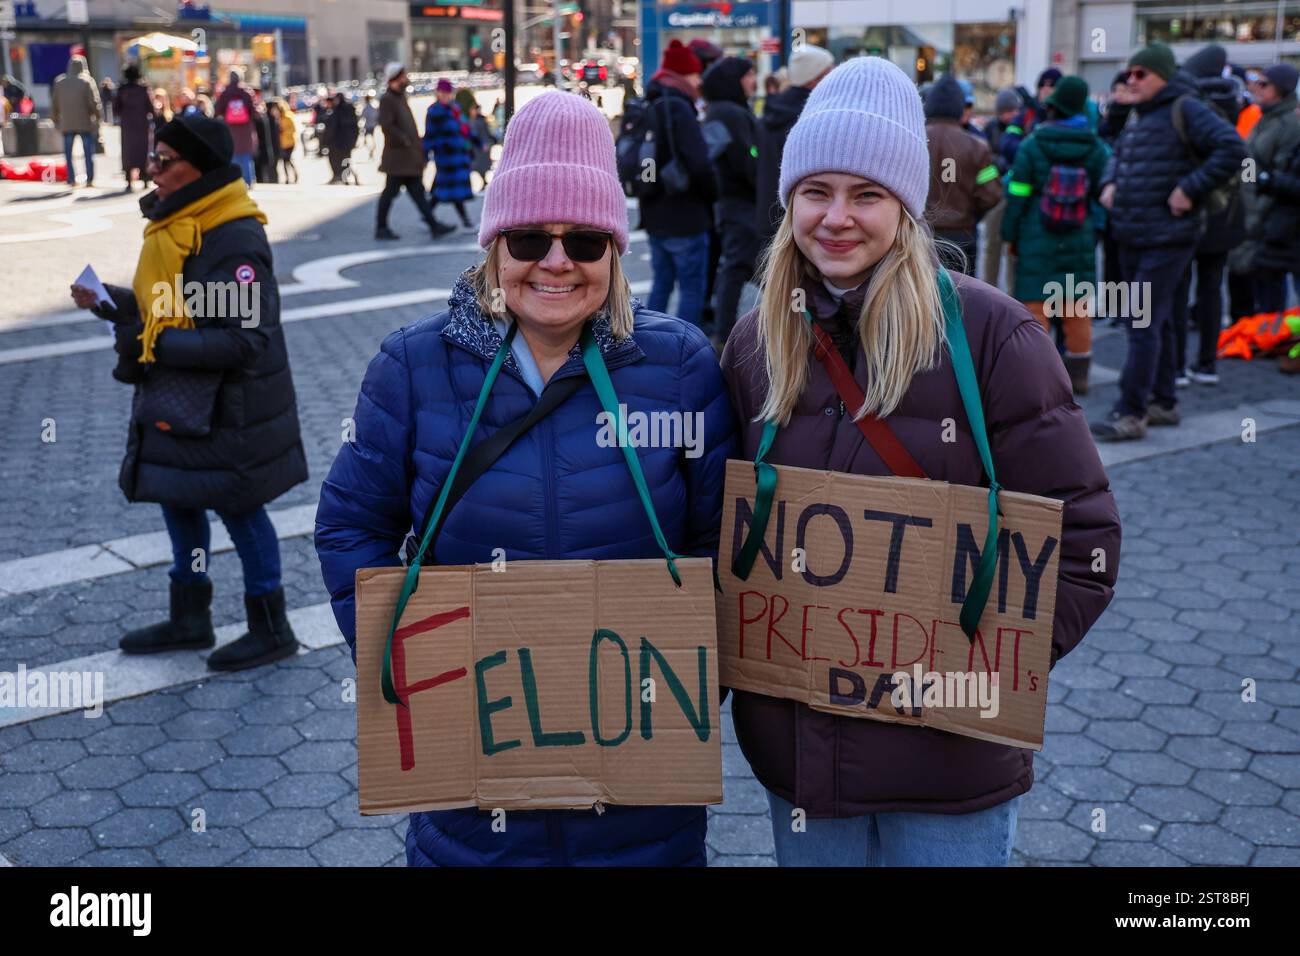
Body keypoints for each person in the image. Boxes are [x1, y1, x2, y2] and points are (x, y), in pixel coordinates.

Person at [314, 92, 738, 867]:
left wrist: (683, 683)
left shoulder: (679, 366)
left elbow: (721, 543)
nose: (555, 261)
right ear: (492, 247)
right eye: (527, 237)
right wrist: (407, 666)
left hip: (639, 797)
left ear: (613, 250)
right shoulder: (413, 365)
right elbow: (352, 527)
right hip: (473, 789)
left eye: (583, 239)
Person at [718, 56, 1120, 867]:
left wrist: (979, 672)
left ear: (905, 207)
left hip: (948, 766)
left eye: (866, 194)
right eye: (815, 192)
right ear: (788, 200)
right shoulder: (757, 342)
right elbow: (722, 538)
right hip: (801, 765)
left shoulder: (992, 335)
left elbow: (1085, 548)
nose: (837, 218)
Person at [68, 114, 308, 671]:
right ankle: (191, 616)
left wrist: (152, 344)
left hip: (232, 406)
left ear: (198, 168)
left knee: (240, 510)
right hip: (186, 400)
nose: (151, 169)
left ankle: (272, 626)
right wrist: (114, 302)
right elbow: (181, 309)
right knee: (178, 499)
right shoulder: (181, 225)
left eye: (163, 161)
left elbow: (244, 339)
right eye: (153, 158)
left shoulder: (232, 235)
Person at [1092, 43, 1246, 441]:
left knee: (1142, 320)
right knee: (1151, 319)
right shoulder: (1141, 114)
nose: (1132, 80)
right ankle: (1162, 400)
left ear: (1163, 74)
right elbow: (1119, 153)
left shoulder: (1187, 108)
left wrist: (1189, 190)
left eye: (1141, 73)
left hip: (1167, 235)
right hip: (1132, 232)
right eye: (1129, 73)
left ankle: (1131, 410)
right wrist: (1110, 182)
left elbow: (1232, 148)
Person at [1001, 76, 1109, 395]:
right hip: (1079, 234)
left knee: (1036, 308)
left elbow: (1018, 192)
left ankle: (1037, 377)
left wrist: (1011, 233)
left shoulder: (1034, 144)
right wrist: (1095, 229)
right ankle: (1079, 376)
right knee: (1075, 308)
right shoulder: (1096, 147)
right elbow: (1103, 193)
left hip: (1037, 233)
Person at [1176, 44, 1246, 386]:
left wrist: (1190, 187)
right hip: (1227, 212)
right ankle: (1207, 362)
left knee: (1180, 287)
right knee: (1211, 289)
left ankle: (1176, 366)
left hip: (1197, 211)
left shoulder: (1196, 108)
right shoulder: (1234, 103)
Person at [640, 40, 716, 327]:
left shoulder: (651, 102)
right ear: (684, 75)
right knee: (692, 287)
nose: (699, 81)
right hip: (685, 214)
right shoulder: (680, 108)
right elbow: (699, 163)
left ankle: (644, 337)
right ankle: (687, 347)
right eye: (696, 75)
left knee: (662, 282)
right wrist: (713, 195)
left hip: (654, 213)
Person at [1233, 63, 1300, 318]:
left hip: (1269, 215)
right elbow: (1251, 160)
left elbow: (1279, 174)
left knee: (1269, 280)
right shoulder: (1264, 118)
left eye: (1264, 84)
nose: (1256, 88)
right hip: (1251, 208)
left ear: (1281, 90)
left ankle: (1268, 334)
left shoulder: (1288, 125)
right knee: (1246, 275)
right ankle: (1250, 331)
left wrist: (1257, 197)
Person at [701, 56, 759, 343]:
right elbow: (744, 158)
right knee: (737, 268)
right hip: (740, 203)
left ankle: (725, 331)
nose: (754, 80)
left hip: (731, 202)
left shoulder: (721, 110)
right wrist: (758, 166)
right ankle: (725, 335)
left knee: (740, 267)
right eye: (749, 74)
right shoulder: (731, 113)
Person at [754, 44, 835, 246]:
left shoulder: (771, 112)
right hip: (804, 219)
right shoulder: (814, 117)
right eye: (831, 72)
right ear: (817, 78)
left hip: (769, 213)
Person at [924, 73, 1003, 275]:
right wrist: (970, 213)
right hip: (962, 237)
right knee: (962, 299)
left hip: (920, 236)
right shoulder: (978, 147)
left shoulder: (913, 140)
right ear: (960, 108)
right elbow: (992, 195)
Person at [375, 62, 454, 240]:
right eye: (403, 76)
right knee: (390, 193)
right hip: (398, 159)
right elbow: (387, 126)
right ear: (395, 78)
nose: (406, 79)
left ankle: (433, 225)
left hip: (407, 158)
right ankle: (381, 227)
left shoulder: (399, 97)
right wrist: (405, 139)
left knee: (417, 193)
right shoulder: (388, 99)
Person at [980, 88, 1025, 289]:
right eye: (1009, 111)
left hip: (1015, 194)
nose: (1014, 115)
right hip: (996, 196)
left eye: (1016, 110)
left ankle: (1012, 293)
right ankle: (989, 289)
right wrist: (1001, 165)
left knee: (1012, 248)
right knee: (992, 245)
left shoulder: (1023, 128)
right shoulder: (990, 129)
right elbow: (985, 157)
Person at [423, 78, 475, 229]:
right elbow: (429, 135)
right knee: (449, 190)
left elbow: (465, 129)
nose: (446, 96)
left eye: (448, 93)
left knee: (442, 190)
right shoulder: (434, 111)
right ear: (437, 93)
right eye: (443, 93)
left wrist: (475, 143)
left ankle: (427, 215)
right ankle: (466, 222)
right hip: (445, 158)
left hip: (458, 157)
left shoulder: (455, 109)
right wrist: (426, 155)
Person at [51, 54, 102, 187]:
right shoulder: (86, 81)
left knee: (68, 154)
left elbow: (55, 103)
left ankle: (71, 179)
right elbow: (94, 102)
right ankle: (90, 179)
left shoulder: (59, 81)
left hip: (67, 122)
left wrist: (55, 119)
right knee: (88, 153)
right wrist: (98, 117)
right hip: (84, 121)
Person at [999, 68, 1061, 172]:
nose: (1045, 89)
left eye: (1051, 85)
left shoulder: (1066, 116)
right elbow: (1007, 144)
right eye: (1042, 85)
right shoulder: (1026, 114)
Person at [213, 69, 258, 185]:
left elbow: (217, 109)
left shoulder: (226, 92)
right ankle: (248, 181)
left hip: (231, 128)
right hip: (245, 129)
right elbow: (253, 111)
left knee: (234, 154)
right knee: (246, 155)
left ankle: (237, 180)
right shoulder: (246, 92)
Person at [114, 63, 153, 192]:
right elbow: (150, 107)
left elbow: (116, 109)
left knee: (128, 152)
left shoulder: (122, 89)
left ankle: (129, 180)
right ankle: (145, 178)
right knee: (143, 151)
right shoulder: (143, 89)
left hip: (127, 125)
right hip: (142, 124)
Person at [323, 90, 358, 184]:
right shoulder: (350, 108)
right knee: (346, 160)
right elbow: (356, 126)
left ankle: (341, 177)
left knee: (336, 159)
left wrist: (327, 140)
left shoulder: (337, 110)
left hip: (338, 141)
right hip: (348, 141)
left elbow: (332, 128)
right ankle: (346, 177)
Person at [466, 101, 495, 191]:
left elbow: (480, 133)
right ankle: (485, 182)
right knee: (479, 166)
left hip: (482, 146)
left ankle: (485, 182)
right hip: (480, 146)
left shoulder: (478, 121)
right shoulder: (476, 120)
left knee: (480, 166)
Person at [271, 101, 298, 184]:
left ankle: (295, 174)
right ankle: (287, 177)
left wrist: (284, 131)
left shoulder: (288, 117)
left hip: (289, 143)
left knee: (288, 160)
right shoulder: (276, 119)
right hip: (282, 143)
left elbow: (293, 129)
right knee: (283, 161)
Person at [361, 92, 379, 158]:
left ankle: (371, 150)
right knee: (371, 139)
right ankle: (371, 150)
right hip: (372, 125)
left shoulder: (366, 108)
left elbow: (363, 116)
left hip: (368, 125)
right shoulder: (373, 107)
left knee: (367, 139)